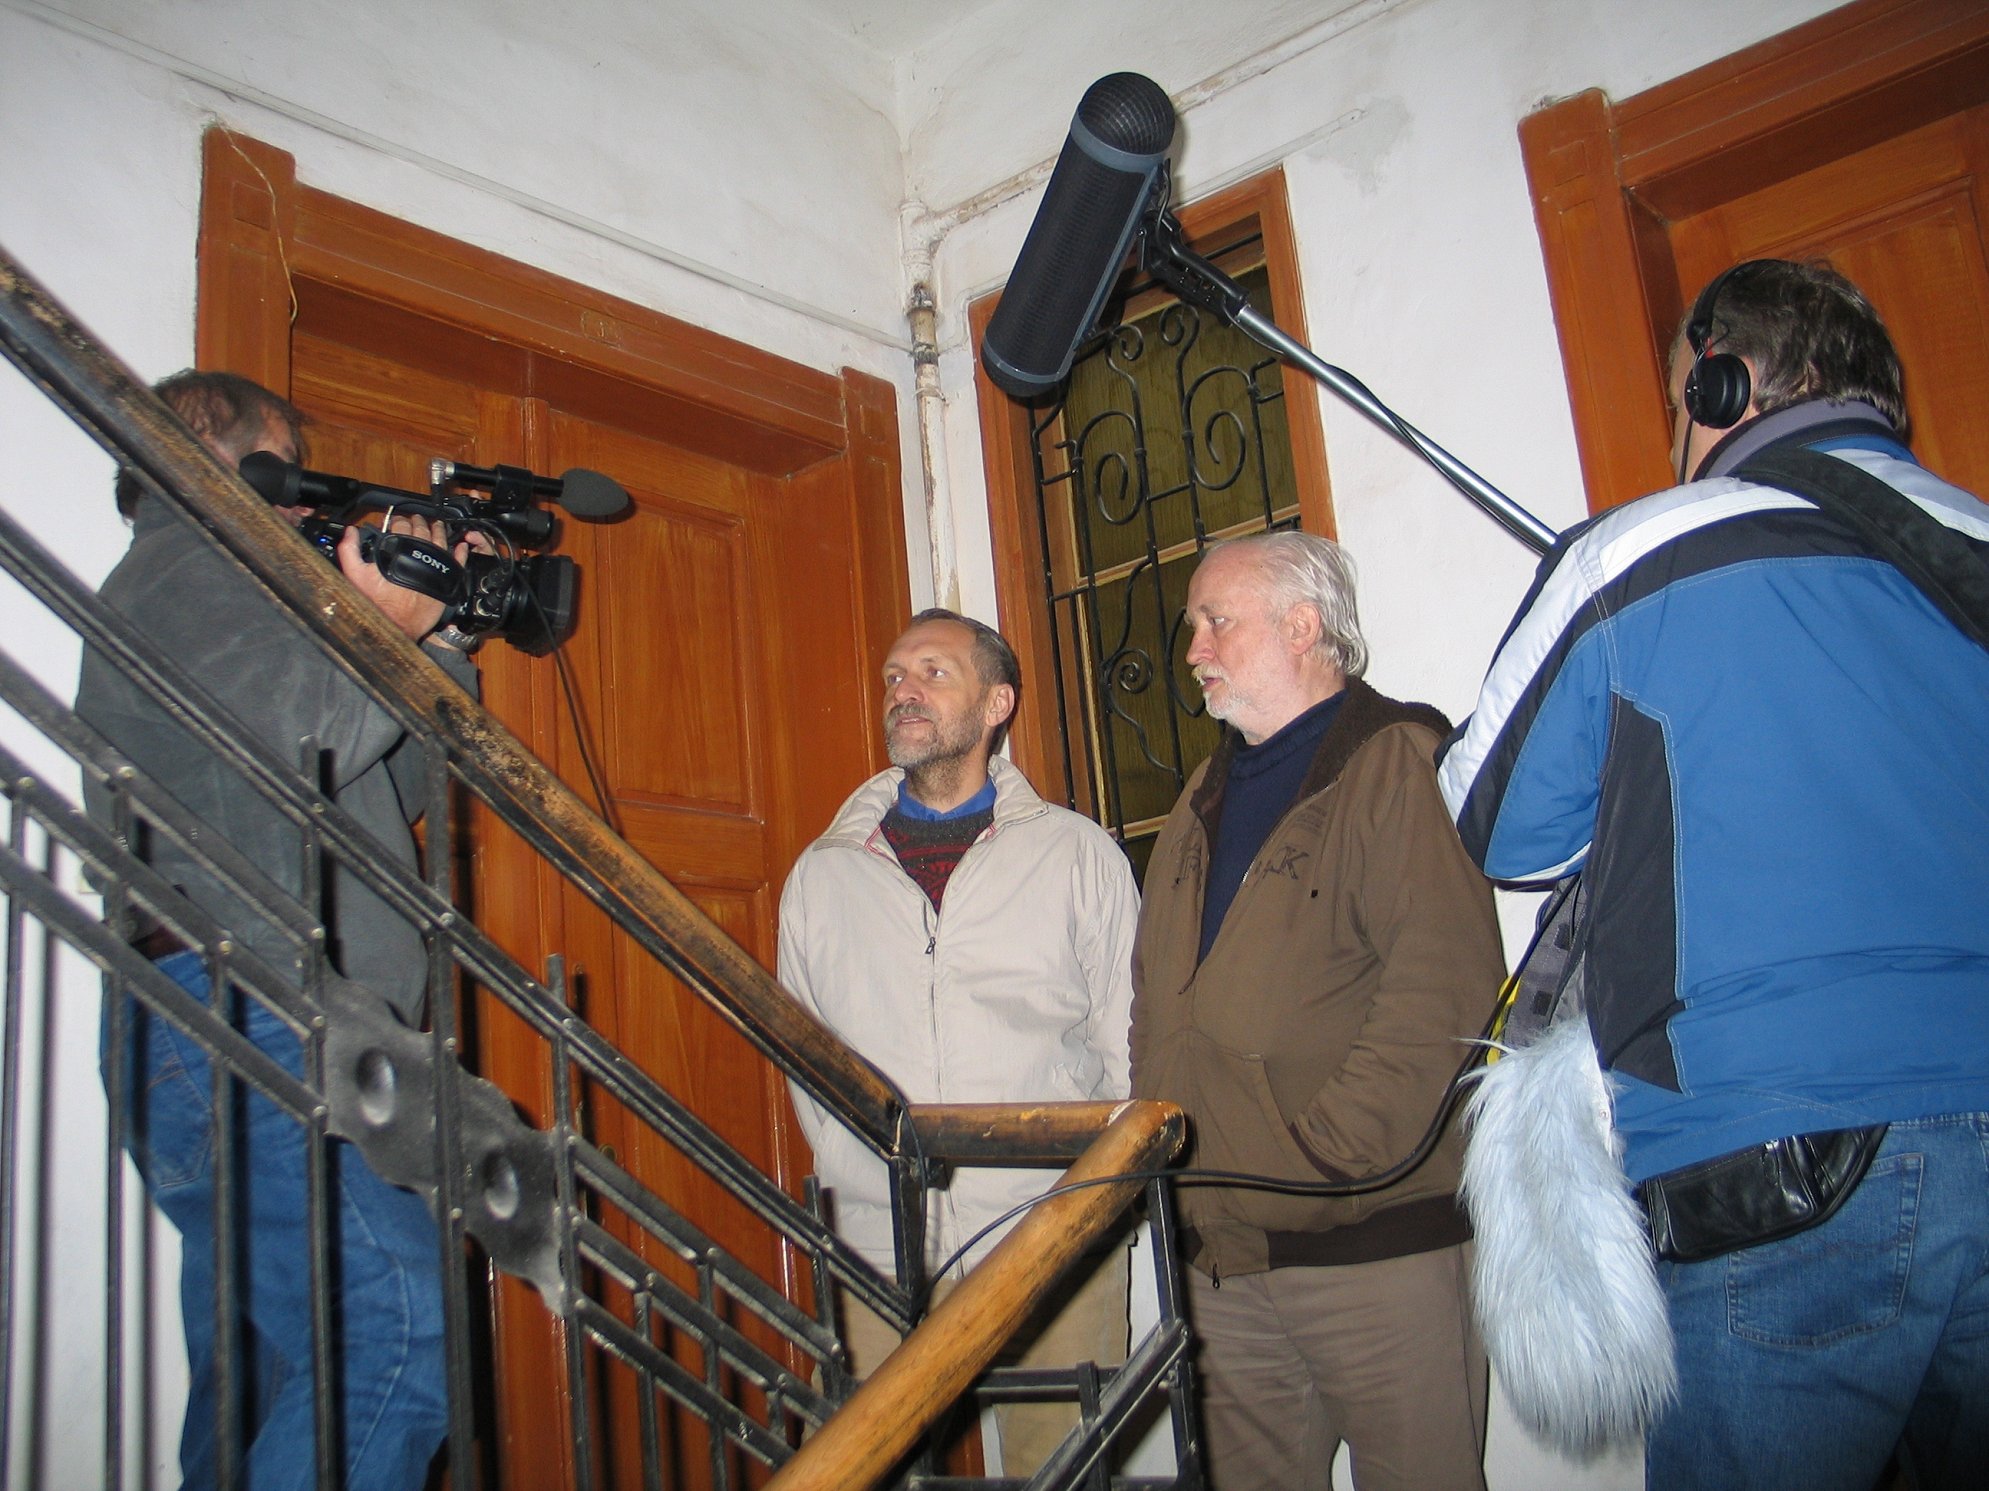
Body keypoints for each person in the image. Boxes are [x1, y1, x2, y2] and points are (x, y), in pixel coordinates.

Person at [1438, 259, 1989, 1488]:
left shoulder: (1639, 548)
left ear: (1722, 382)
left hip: (1783, 1165)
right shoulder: (1975, 536)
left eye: (1685, 396)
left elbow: (1494, 820)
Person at [78, 370, 477, 1489]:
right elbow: (311, 742)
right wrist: (387, 628)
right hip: (248, 1020)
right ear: (226, 454)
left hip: (239, 1024)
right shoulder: (197, 561)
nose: (305, 502)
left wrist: (432, 638)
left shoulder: (223, 585)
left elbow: (390, 770)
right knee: (399, 1339)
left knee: (250, 1386)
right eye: (286, 468)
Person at [1131, 532, 1503, 1491]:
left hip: (1374, 1253)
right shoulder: (1196, 802)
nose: (1194, 649)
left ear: (1304, 626)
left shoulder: (1397, 762)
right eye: (1192, 627)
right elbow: (1152, 1001)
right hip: (1224, 1267)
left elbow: (1439, 996)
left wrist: (1323, 1157)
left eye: (1215, 621)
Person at [777, 607, 1139, 1475]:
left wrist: (1096, 1196)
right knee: (871, 1466)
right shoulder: (824, 872)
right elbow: (808, 1058)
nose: (904, 690)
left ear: (996, 703)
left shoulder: (1076, 855)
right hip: (879, 1241)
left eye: (933, 673)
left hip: (1048, 1232)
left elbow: (1126, 1036)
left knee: (1064, 1468)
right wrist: (860, 1175)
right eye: (894, 677)